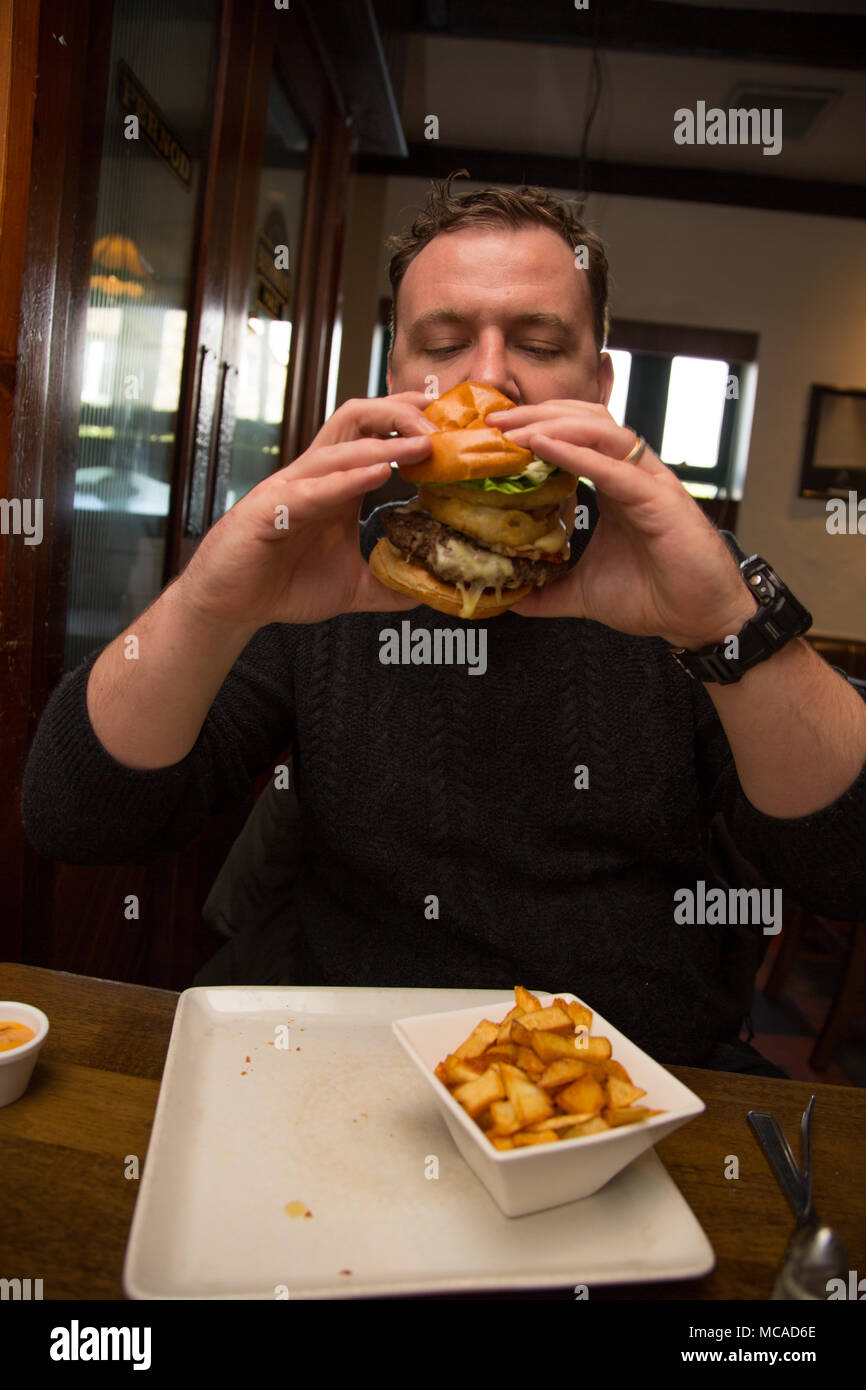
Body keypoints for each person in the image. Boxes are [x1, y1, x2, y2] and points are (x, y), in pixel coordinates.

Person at [21, 177, 866, 1078]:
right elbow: (76, 818)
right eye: (445, 343)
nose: (490, 378)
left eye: (540, 343)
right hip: (357, 1076)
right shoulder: (323, 574)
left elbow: (847, 873)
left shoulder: (687, 580)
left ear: (600, 383)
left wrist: (730, 625)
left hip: (639, 1088)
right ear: (398, 380)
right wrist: (212, 599)